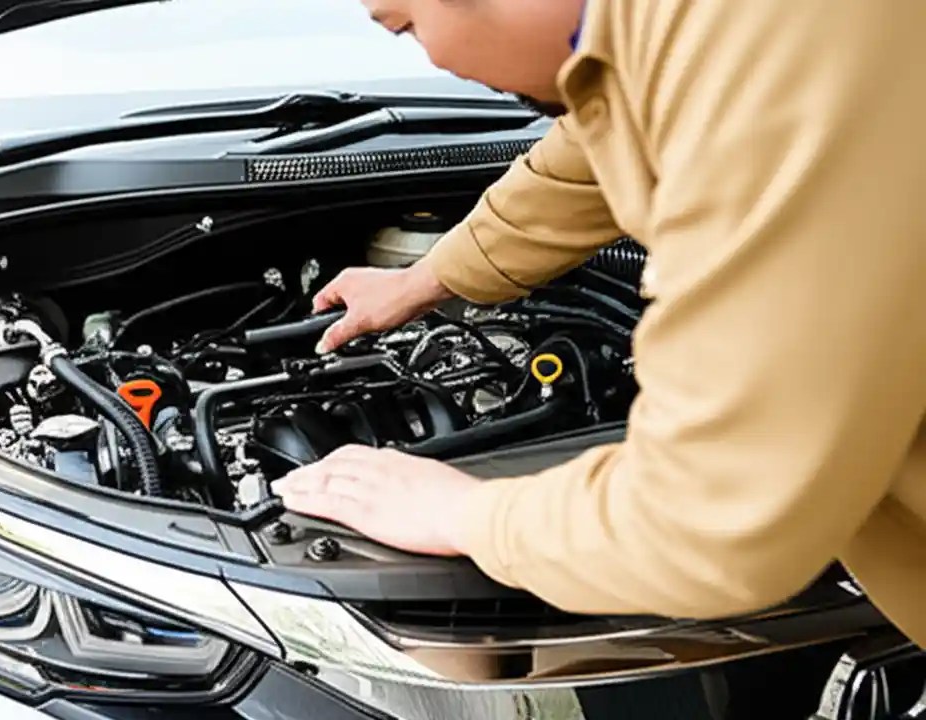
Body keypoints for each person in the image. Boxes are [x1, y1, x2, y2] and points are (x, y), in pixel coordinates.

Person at [272, 0, 926, 648]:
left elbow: (711, 520)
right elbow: (594, 147)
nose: (437, 60)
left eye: (408, 27)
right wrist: (427, 279)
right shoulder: (707, 29)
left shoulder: (775, 57)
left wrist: (462, 513)